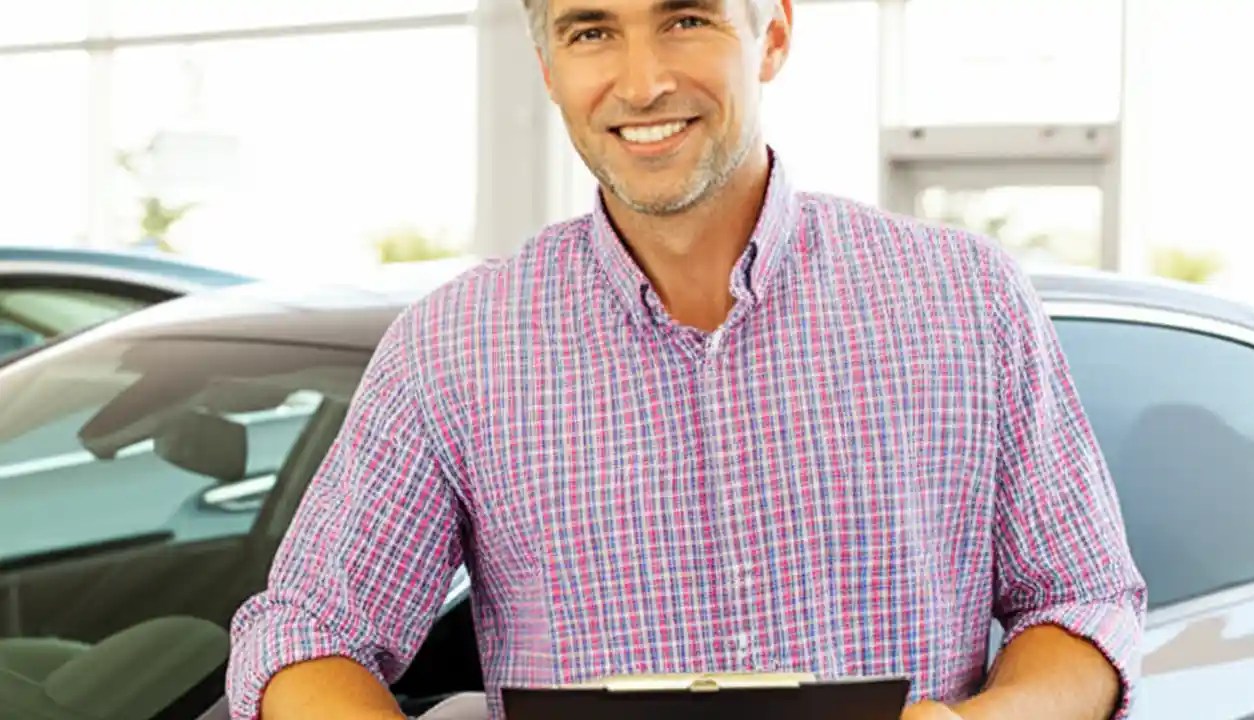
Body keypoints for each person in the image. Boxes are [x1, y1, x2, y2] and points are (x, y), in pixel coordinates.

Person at [226, 0, 1148, 718]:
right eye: (593, 31)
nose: (641, 82)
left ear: (773, 35)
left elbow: (1083, 602)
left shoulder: (965, 299)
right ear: (548, 67)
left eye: (686, 19)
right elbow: (307, 630)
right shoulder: (452, 347)